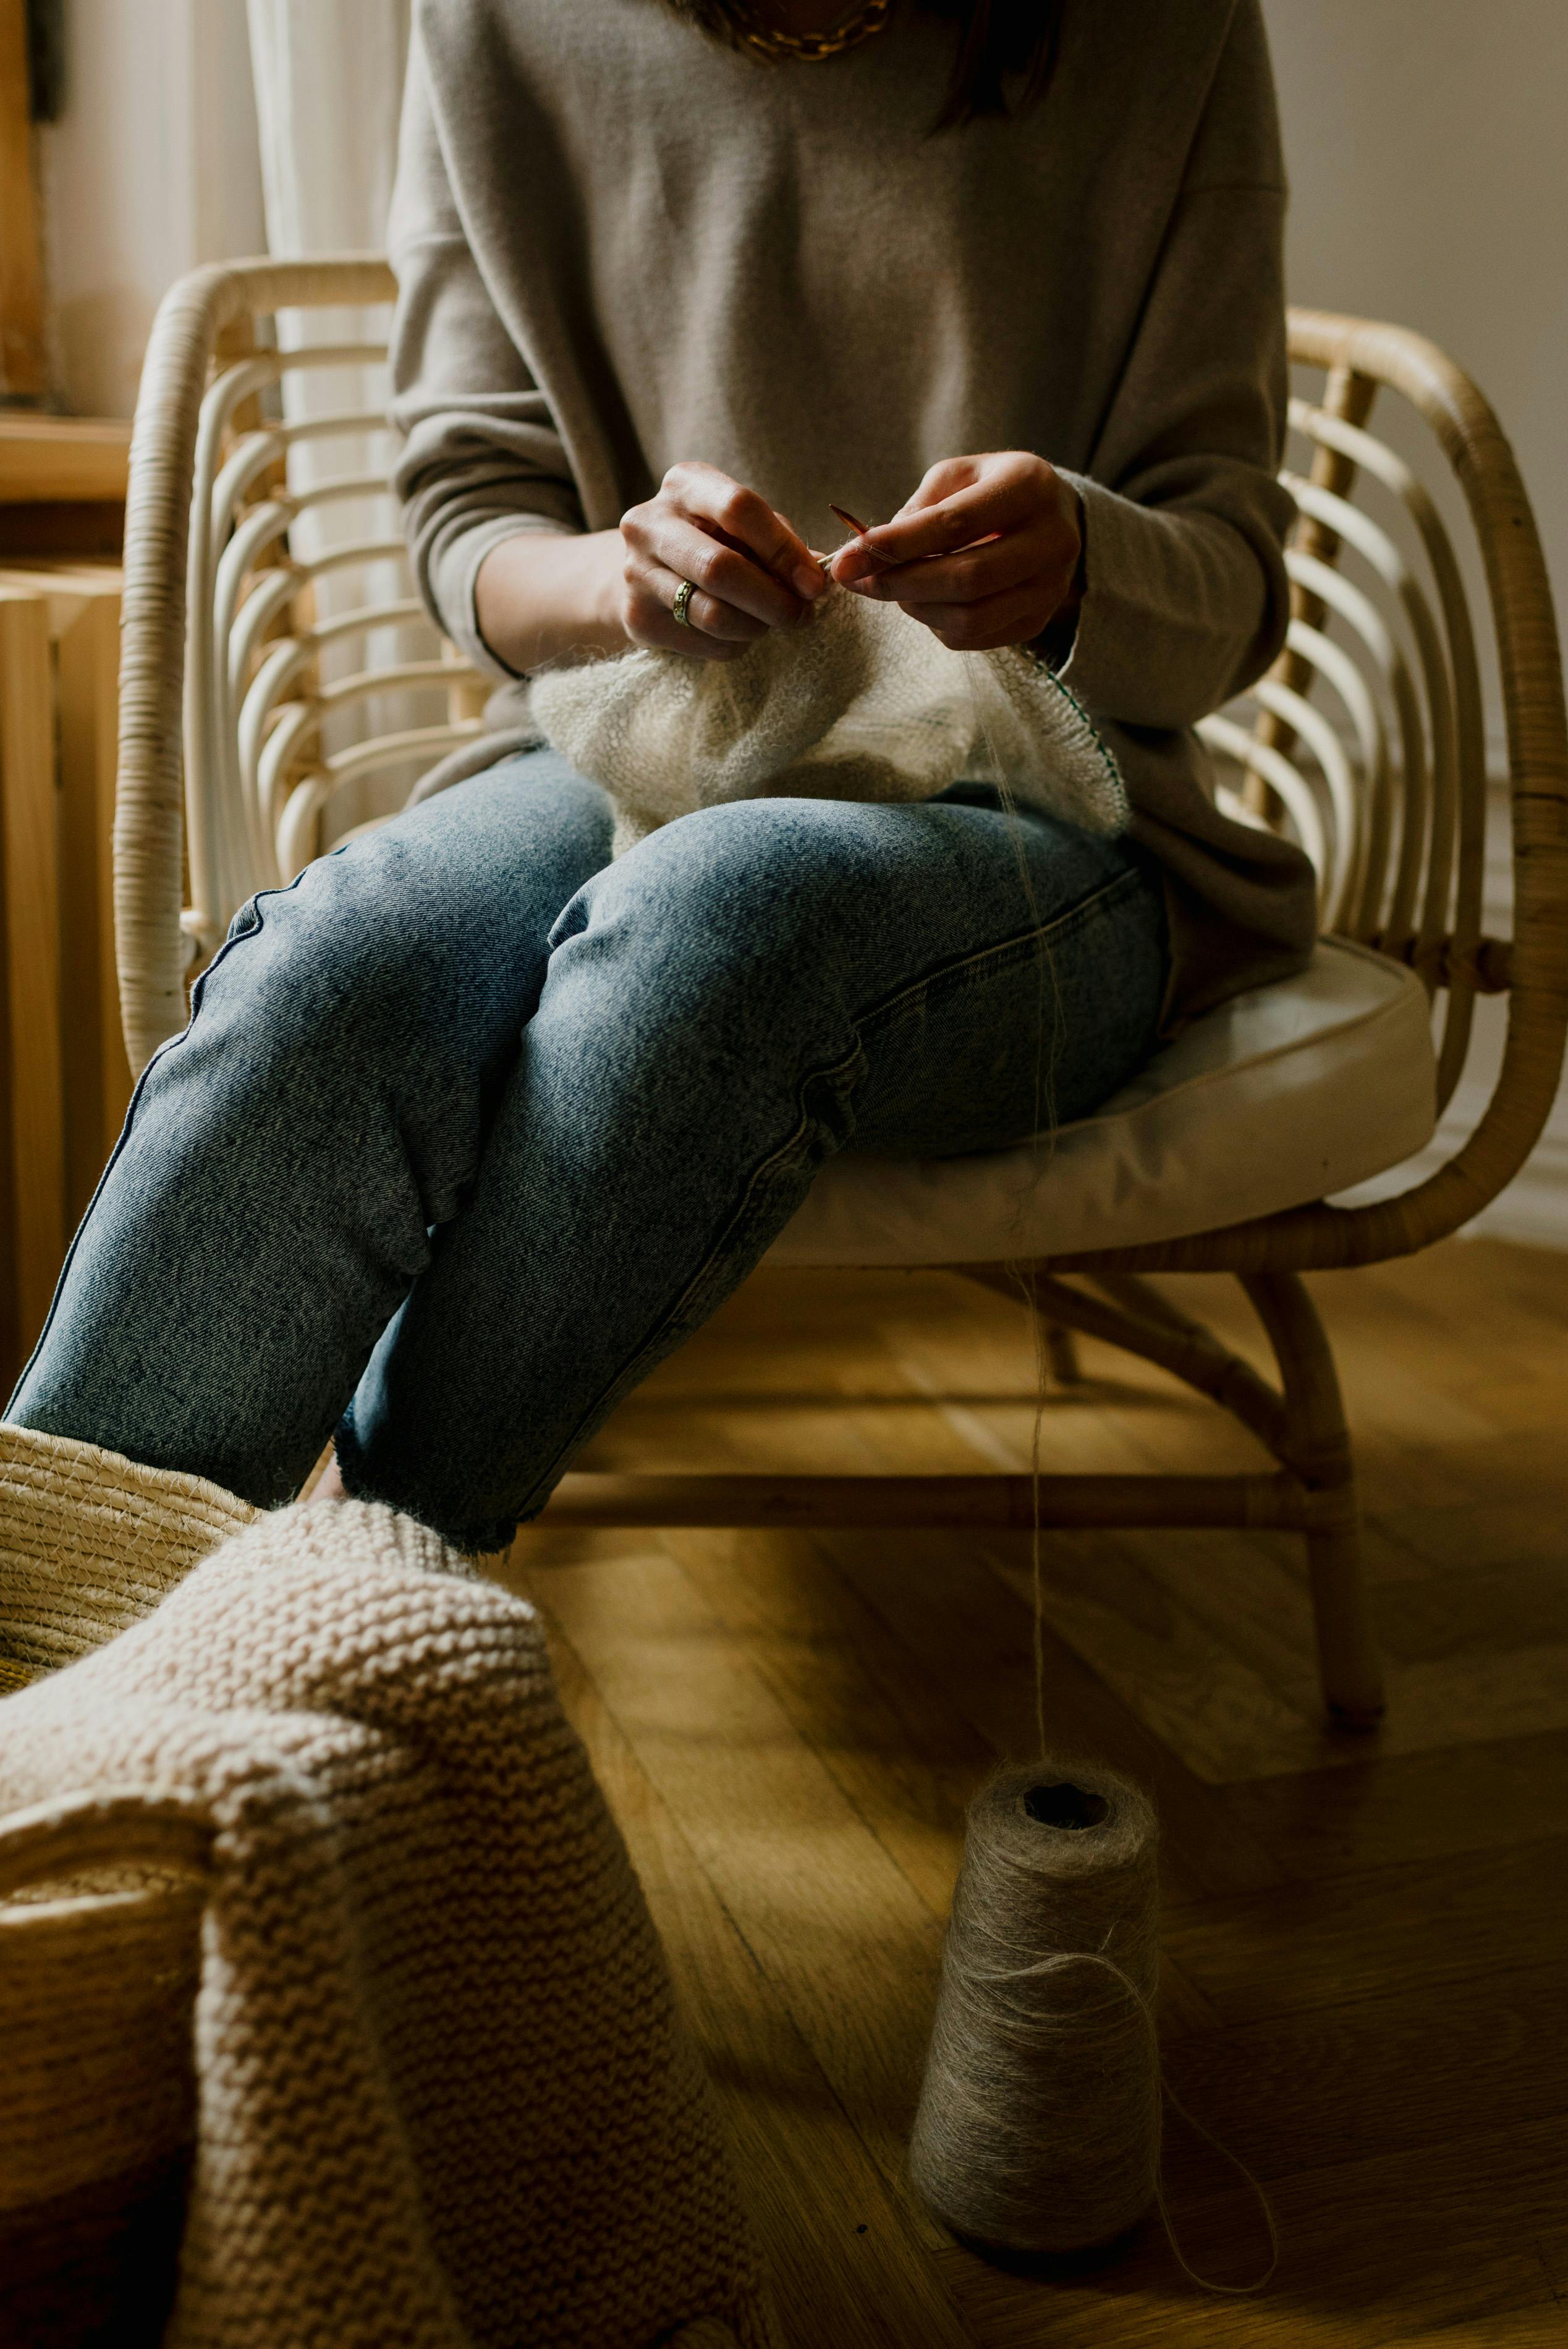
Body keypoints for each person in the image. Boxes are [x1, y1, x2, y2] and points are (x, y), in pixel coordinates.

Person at [10, 0, 1315, 1553]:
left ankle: (356, 1595)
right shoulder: (507, 22)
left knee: (715, 932)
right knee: (341, 965)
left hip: (1052, 819)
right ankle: (55, 1679)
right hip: (639, 742)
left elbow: (1228, 579)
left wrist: (1086, 560)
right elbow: (468, 518)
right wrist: (629, 583)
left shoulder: (1162, 36)